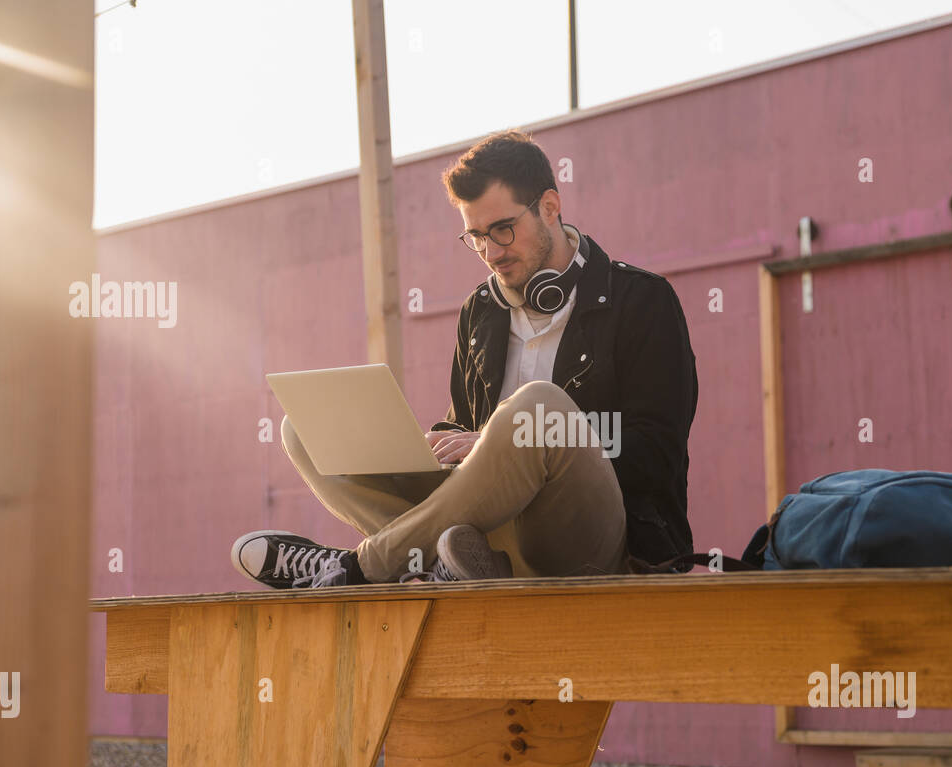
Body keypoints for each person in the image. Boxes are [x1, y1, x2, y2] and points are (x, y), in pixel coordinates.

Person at [231, 129, 698, 589]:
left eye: (503, 230)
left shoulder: (642, 301)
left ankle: (364, 565)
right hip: (483, 542)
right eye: (475, 236)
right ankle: (442, 558)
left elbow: (656, 454)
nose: (491, 253)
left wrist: (517, 437)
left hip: (593, 545)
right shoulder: (482, 310)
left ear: (550, 208)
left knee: (537, 410)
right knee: (308, 427)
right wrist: (442, 443)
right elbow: (467, 428)